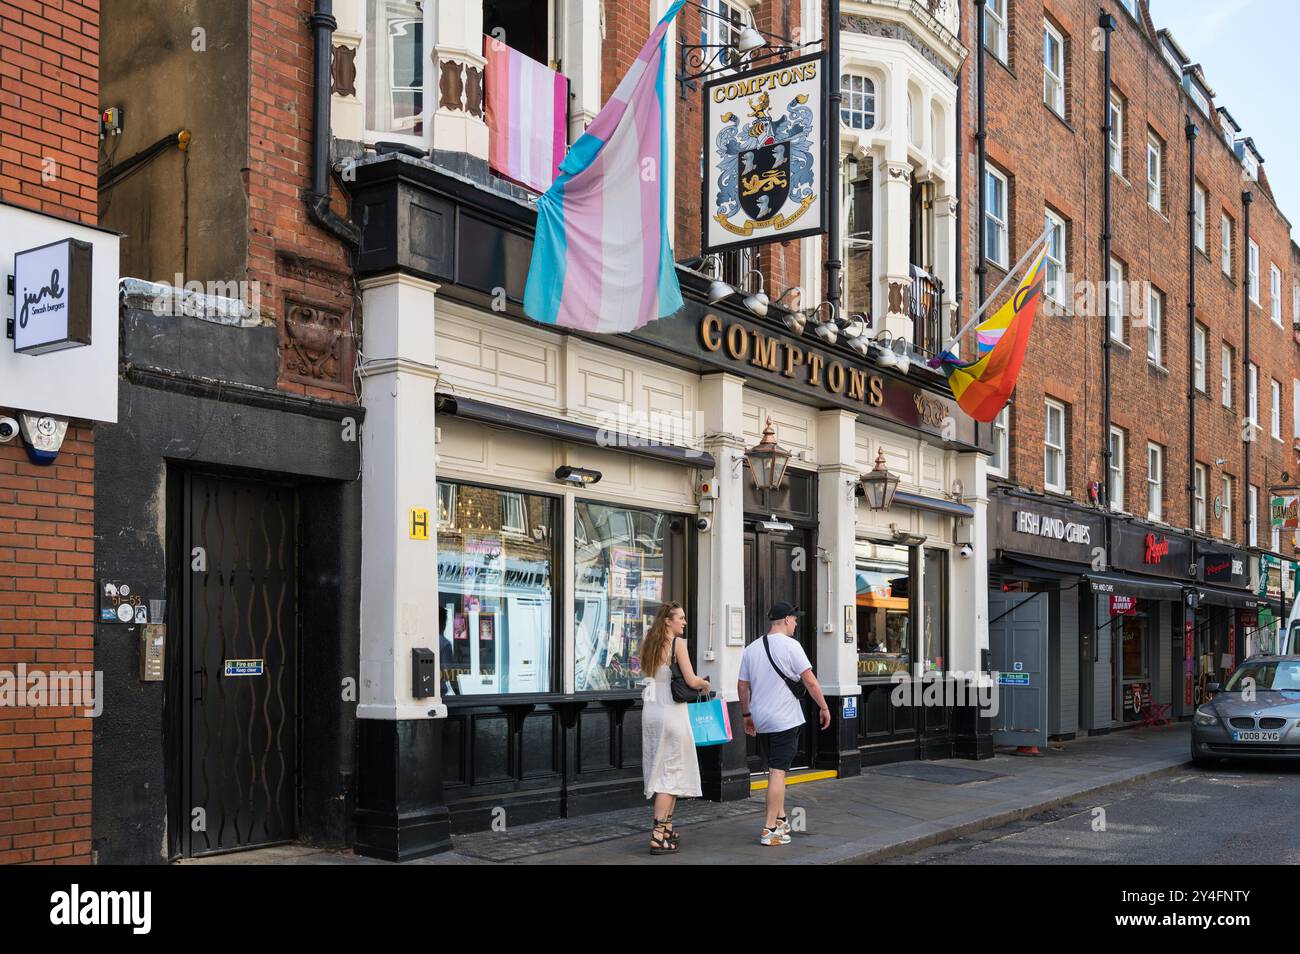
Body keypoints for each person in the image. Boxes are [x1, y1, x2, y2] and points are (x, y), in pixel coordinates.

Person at [737, 601, 831, 847]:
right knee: (777, 773)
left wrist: (747, 715)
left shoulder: (751, 648)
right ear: (787, 620)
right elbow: (809, 681)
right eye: (795, 619)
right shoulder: (792, 646)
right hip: (784, 719)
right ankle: (769, 829)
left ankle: (781, 820)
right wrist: (823, 706)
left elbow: (742, 686)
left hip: (761, 718)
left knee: (775, 769)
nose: (797, 623)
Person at [638, 601, 710, 855]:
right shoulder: (678, 644)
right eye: (680, 617)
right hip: (672, 714)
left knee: (666, 770)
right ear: (667, 620)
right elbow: (690, 680)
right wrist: (705, 684)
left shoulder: (649, 644)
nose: (684, 622)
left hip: (652, 713)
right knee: (669, 775)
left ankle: (667, 827)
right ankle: (658, 835)